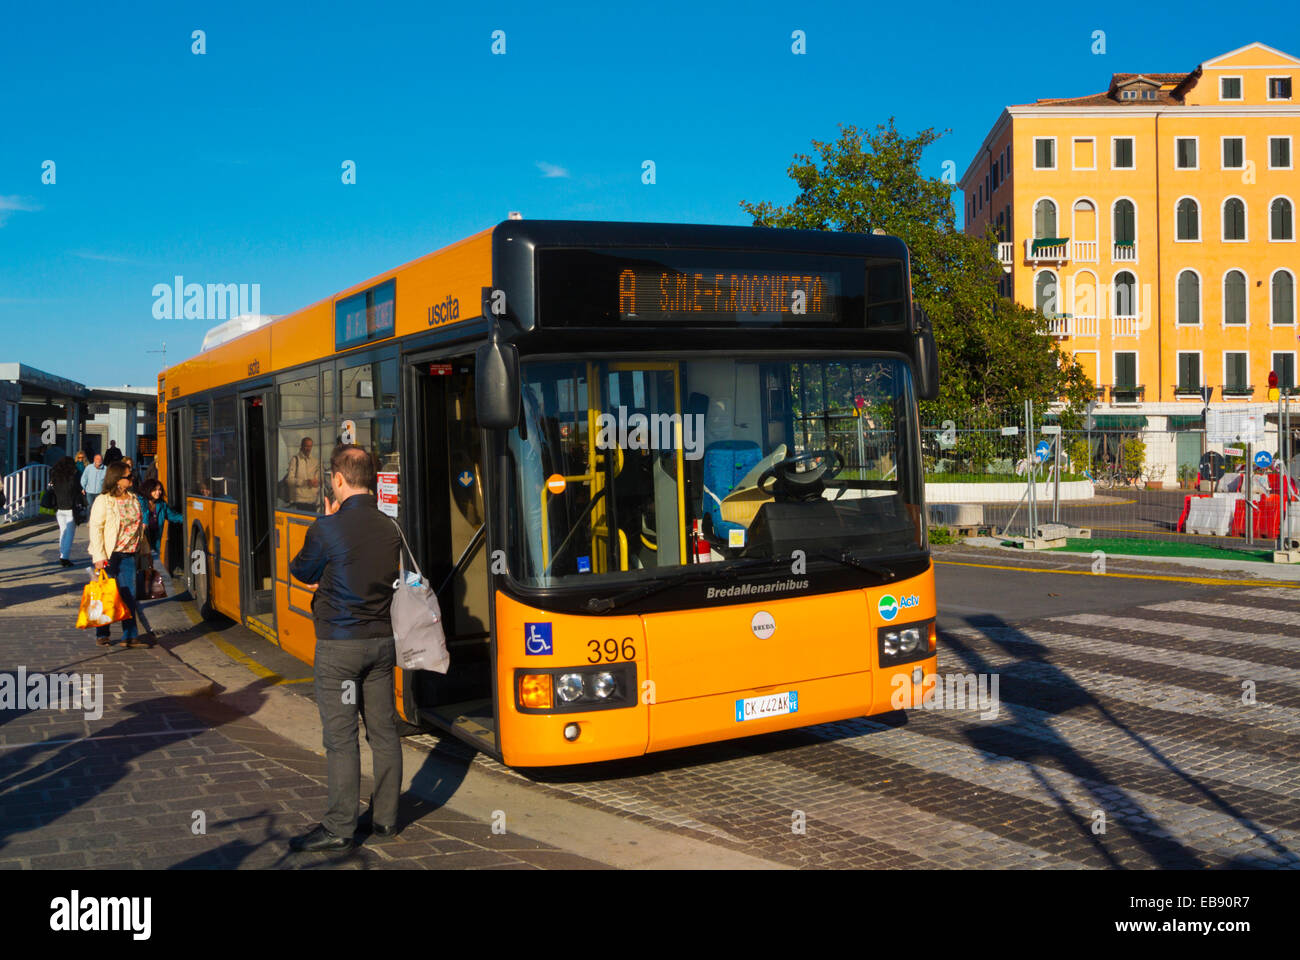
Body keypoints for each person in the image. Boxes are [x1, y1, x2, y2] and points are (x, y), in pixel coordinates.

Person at [287, 445, 401, 852]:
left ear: (337, 480)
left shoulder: (326, 528)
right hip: (383, 642)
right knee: (384, 732)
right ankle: (386, 819)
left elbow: (300, 569)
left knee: (340, 738)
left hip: (339, 645)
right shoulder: (391, 527)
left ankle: (339, 826)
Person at [88, 461, 145, 647]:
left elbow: (139, 528)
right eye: (128, 476)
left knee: (128, 594)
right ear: (117, 480)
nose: (132, 478)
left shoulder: (133, 498)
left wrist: (144, 551)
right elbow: (95, 528)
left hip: (129, 554)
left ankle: (130, 636)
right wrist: (99, 556)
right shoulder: (103, 500)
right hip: (110, 554)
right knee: (107, 594)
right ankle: (102, 633)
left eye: (131, 475)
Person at [135, 478, 183, 588]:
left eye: (160, 490)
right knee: (143, 562)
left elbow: (172, 516)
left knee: (150, 562)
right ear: (148, 490)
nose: (158, 492)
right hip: (141, 538)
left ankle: (147, 587)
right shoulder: (140, 501)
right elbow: (141, 516)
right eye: (155, 490)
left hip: (155, 537)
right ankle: (142, 586)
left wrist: (188, 519)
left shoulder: (161, 504)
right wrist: (144, 522)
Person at [51, 457, 82, 567]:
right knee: (69, 533)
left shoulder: (55, 476)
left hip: (59, 507)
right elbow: (77, 488)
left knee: (63, 531)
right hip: (70, 507)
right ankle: (65, 557)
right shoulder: (73, 476)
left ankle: (62, 553)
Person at [285, 436, 322, 511]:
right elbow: (289, 480)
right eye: (306, 446)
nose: (308, 448)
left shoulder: (315, 461)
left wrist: (317, 482)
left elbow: (319, 479)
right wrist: (305, 482)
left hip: (312, 501)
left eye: (310, 446)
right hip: (299, 502)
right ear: (302, 446)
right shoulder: (295, 460)